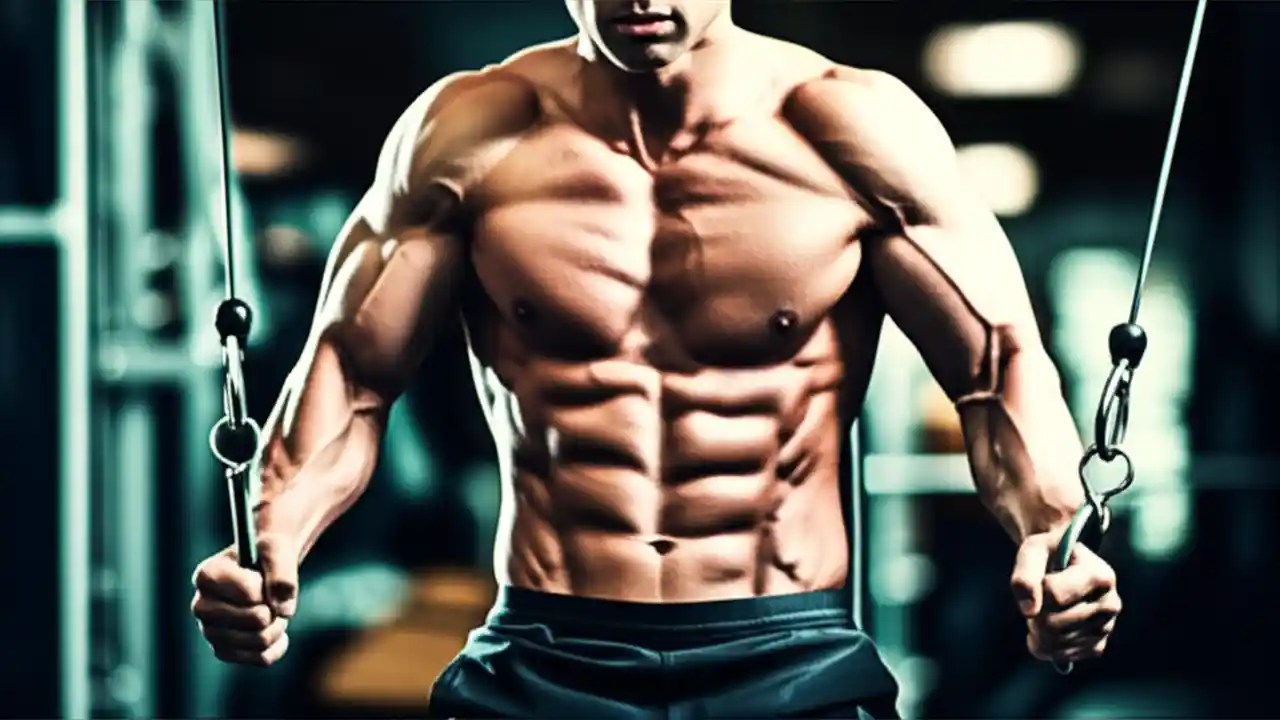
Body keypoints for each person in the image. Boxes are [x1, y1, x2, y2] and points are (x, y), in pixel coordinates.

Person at [190, 1, 1123, 716]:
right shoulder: (467, 136)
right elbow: (353, 369)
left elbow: (995, 363)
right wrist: (272, 542)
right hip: (548, 651)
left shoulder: (852, 132)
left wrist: (1050, 532)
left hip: (785, 654)